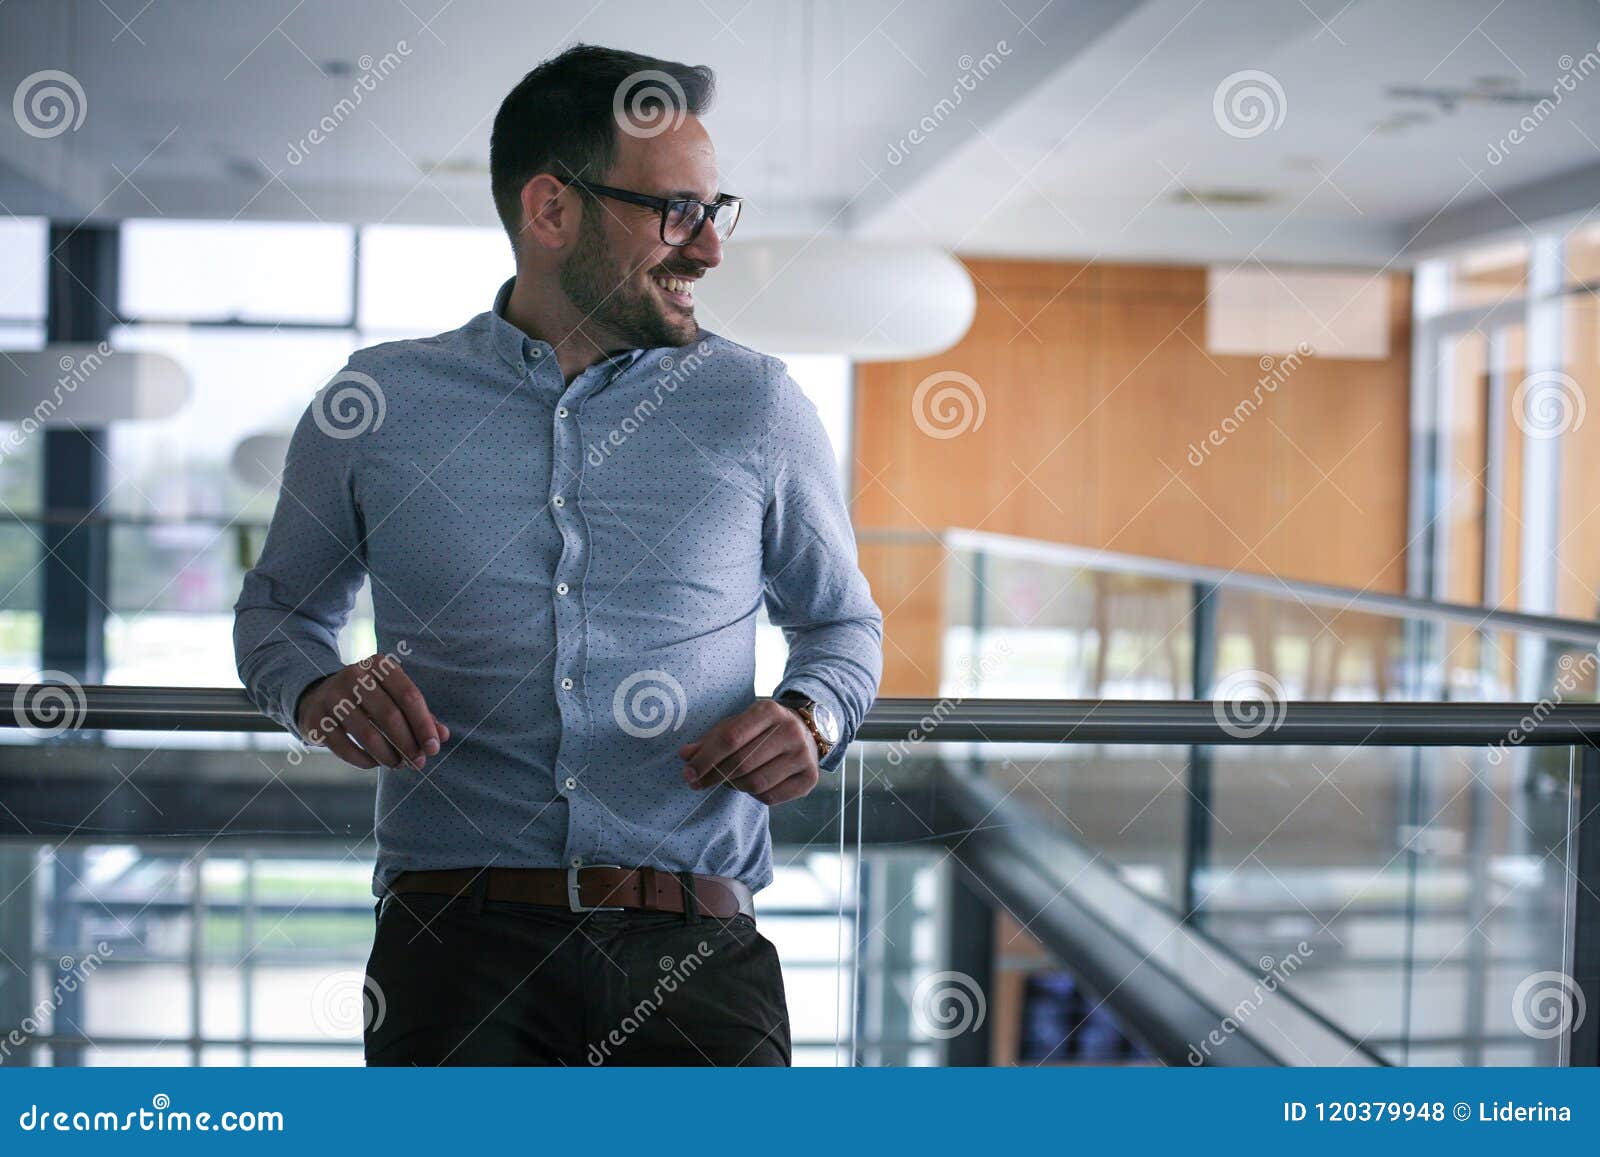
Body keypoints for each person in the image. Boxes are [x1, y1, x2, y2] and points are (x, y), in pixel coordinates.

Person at [232, 43, 883, 1066]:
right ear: (551, 210)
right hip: (452, 948)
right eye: (677, 212)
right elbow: (279, 611)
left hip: (695, 947)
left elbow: (840, 621)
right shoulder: (379, 403)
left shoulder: (757, 404)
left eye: (718, 210)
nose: (708, 250)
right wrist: (316, 688)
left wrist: (815, 711)